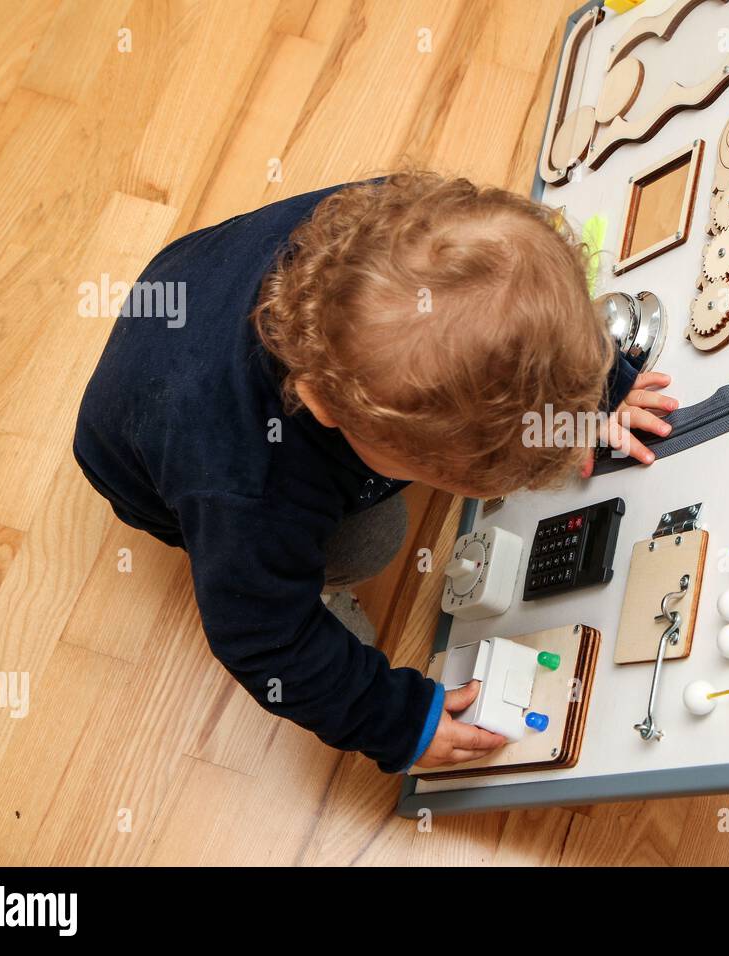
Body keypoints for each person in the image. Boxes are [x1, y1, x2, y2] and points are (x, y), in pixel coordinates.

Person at [73, 171, 676, 772]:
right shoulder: (248, 488)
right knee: (372, 541)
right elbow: (262, 640)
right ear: (325, 407)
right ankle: (324, 580)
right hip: (138, 453)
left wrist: (598, 392)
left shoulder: (402, 235)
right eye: (468, 476)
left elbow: (528, 329)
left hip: (190, 282)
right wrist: (395, 717)